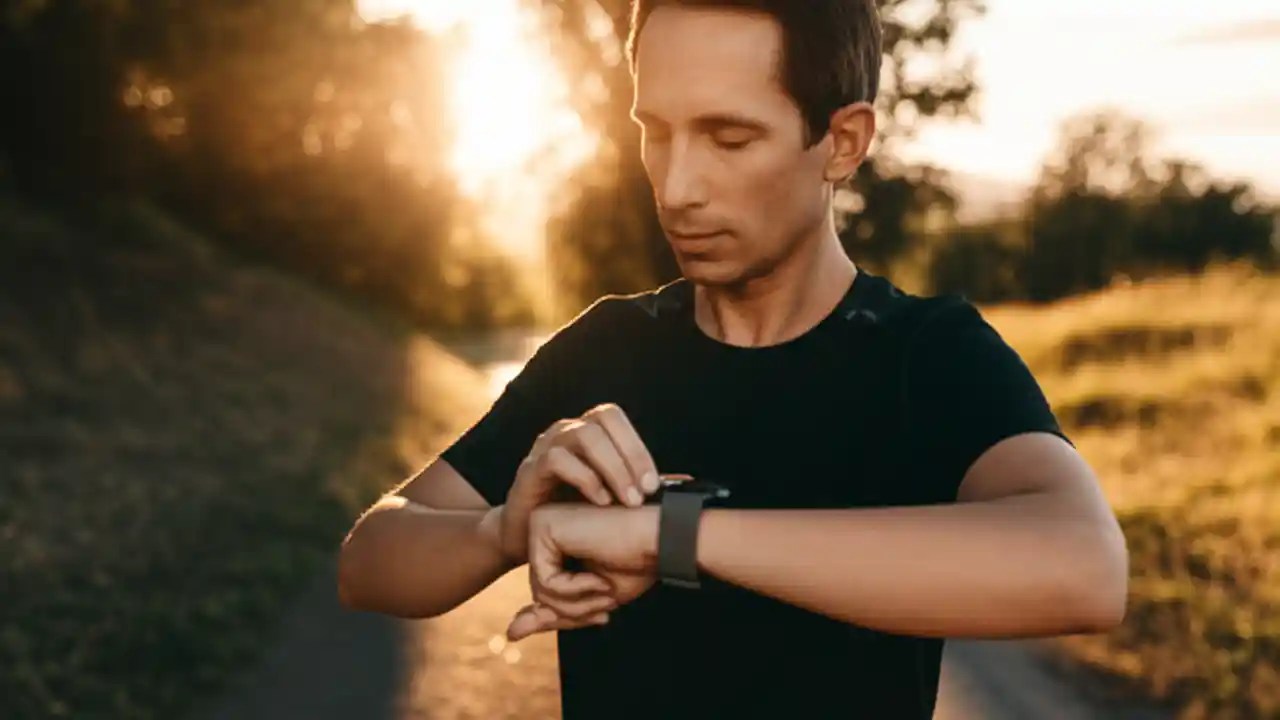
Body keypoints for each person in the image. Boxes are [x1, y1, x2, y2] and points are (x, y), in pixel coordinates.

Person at [337, 1, 1130, 717]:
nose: (678, 186)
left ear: (842, 142)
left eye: (729, 136)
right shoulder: (606, 351)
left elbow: (1085, 569)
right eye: (656, 131)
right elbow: (369, 560)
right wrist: (505, 532)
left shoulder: (926, 356)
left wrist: (670, 536)